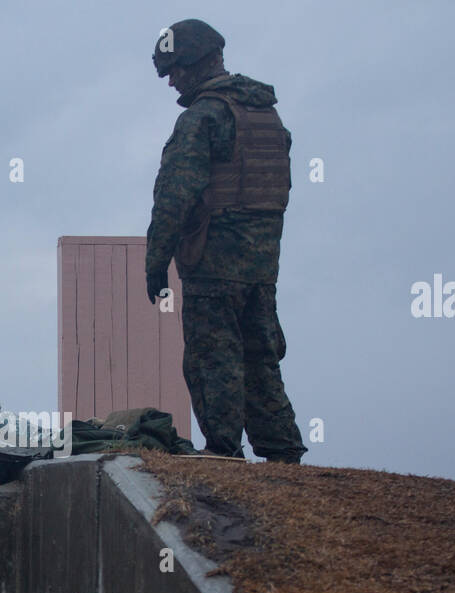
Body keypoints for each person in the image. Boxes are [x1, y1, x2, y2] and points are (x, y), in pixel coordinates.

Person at [146, 18, 308, 463]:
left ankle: (222, 455)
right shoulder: (267, 116)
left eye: (176, 69)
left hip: (211, 265)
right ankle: (283, 454)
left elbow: (175, 197)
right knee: (260, 360)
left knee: (212, 359)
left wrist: (155, 262)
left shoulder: (201, 119)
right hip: (260, 270)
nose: (172, 80)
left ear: (198, 60)